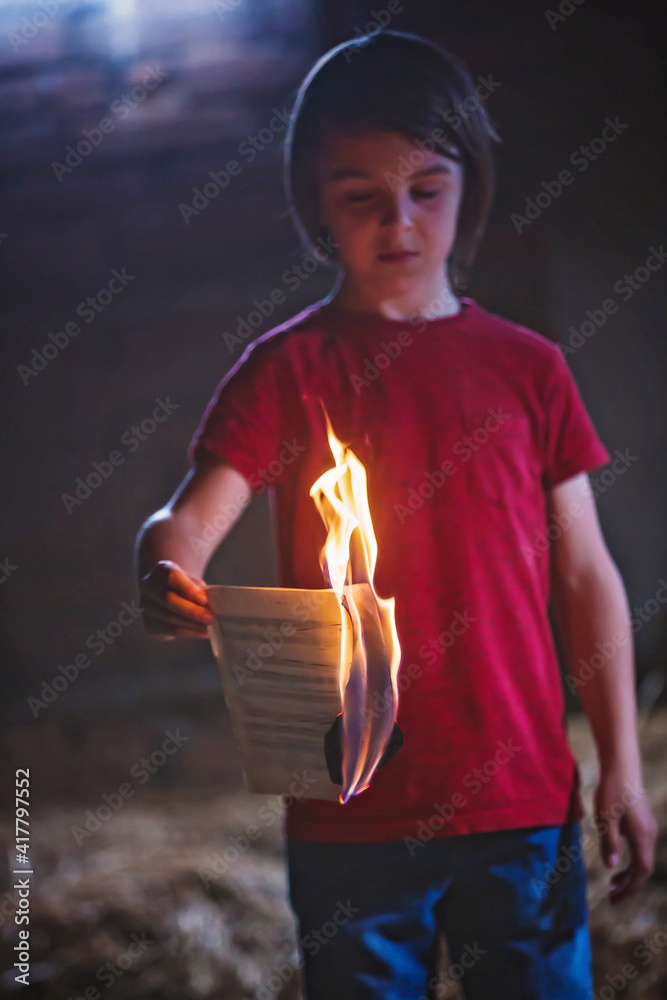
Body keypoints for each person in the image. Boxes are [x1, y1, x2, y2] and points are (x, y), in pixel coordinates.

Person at [135, 30, 657, 1000]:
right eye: (359, 197)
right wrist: (164, 568)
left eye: (426, 188)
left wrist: (621, 765)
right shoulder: (286, 371)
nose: (399, 222)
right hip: (350, 816)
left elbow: (586, 574)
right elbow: (184, 522)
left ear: (472, 184)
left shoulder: (528, 368)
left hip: (518, 802)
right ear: (313, 208)